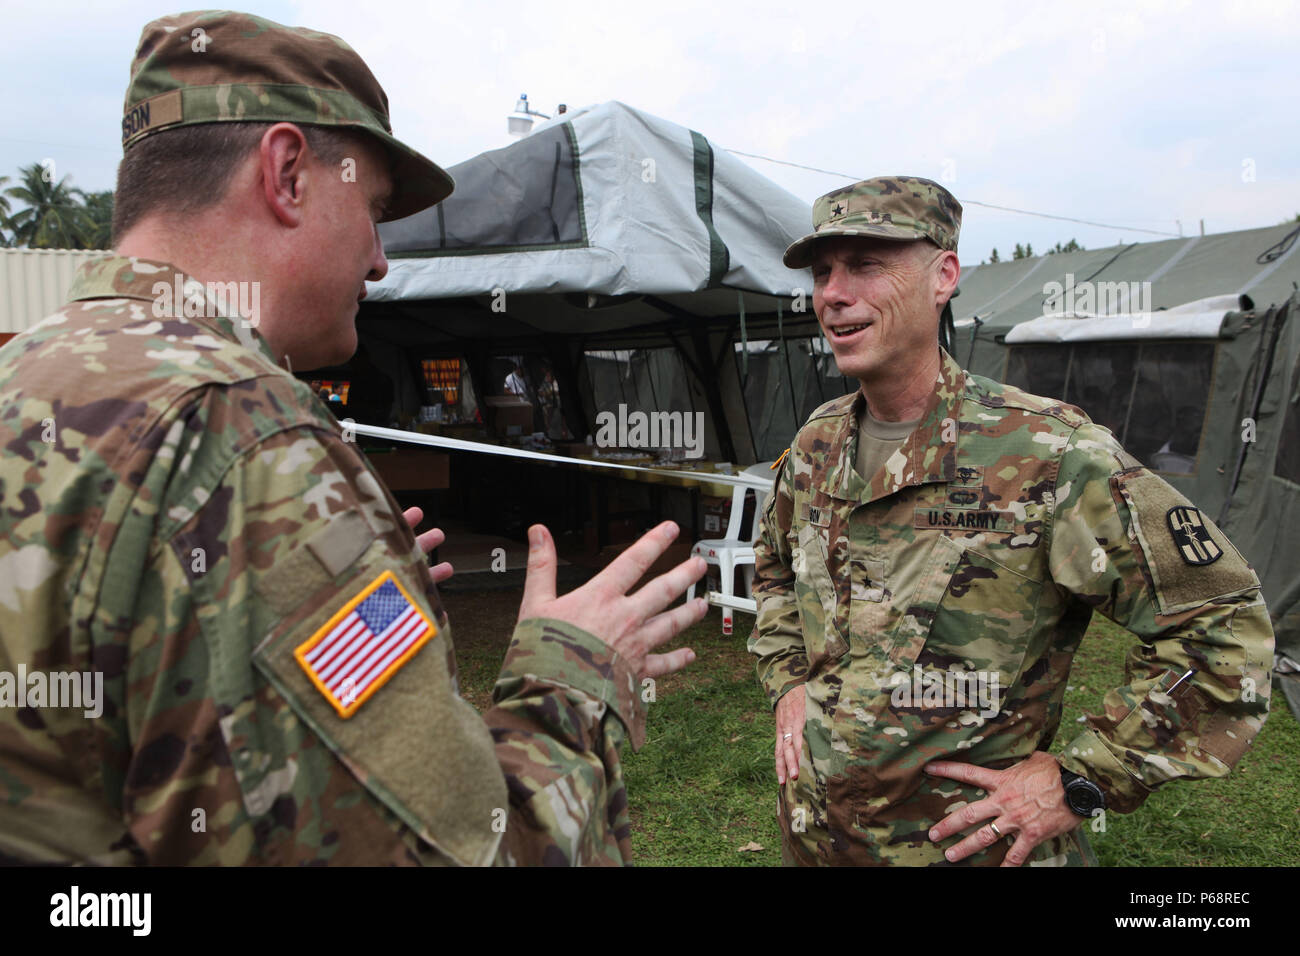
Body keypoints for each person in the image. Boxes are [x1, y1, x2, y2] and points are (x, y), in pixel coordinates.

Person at [0, 10, 707, 866]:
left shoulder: (30, 377)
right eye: (373, 210)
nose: (379, 260)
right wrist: (568, 676)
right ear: (288, 172)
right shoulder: (249, 445)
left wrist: (348, 587)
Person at [749, 176, 1274, 866]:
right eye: (822, 273)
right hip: (818, 841)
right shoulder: (818, 443)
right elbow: (775, 572)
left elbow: (1225, 627)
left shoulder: (1048, 453)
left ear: (944, 275)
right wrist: (789, 681)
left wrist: (1084, 775)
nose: (834, 294)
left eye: (867, 265)